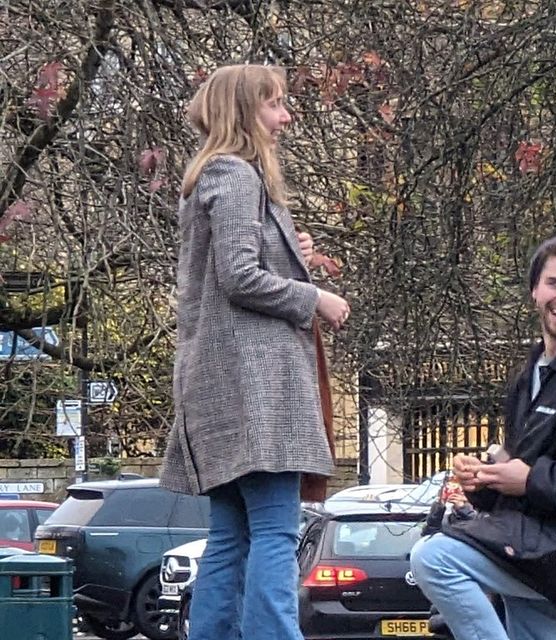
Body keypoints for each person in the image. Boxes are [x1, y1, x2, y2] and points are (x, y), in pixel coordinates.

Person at [159, 64, 350, 640]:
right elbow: (239, 277)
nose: (285, 117)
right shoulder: (237, 175)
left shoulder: (210, 178)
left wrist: (293, 252)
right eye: (274, 105)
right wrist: (315, 297)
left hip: (219, 389)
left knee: (230, 536)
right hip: (257, 394)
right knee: (275, 531)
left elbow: (230, 268)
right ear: (244, 112)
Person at [409, 234, 556, 640]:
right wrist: (484, 481)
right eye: (555, 283)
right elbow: (520, 467)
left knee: (433, 558)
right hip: (528, 541)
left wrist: (531, 479)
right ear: (535, 289)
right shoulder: (528, 374)